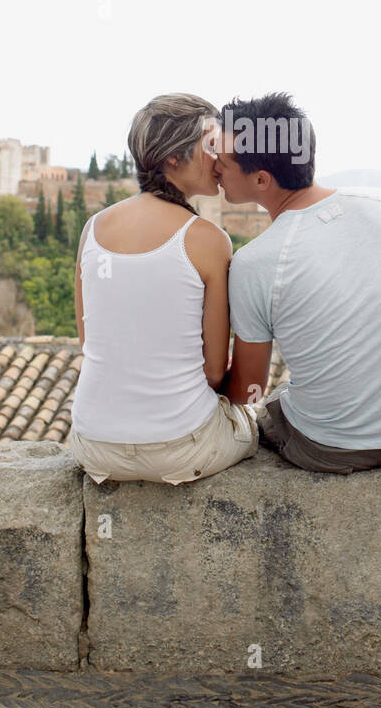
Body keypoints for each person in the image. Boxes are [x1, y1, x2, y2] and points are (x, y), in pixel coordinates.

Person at [215, 91, 381, 474]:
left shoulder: (254, 262)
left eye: (223, 163)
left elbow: (246, 390)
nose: (216, 170)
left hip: (328, 450)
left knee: (278, 403)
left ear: (261, 179)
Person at [67, 93, 259, 484]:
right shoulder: (209, 240)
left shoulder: (93, 229)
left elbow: (90, 343)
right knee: (257, 422)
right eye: (210, 144)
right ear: (173, 158)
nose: (220, 157)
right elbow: (212, 372)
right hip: (181, 450)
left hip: (93, 446)